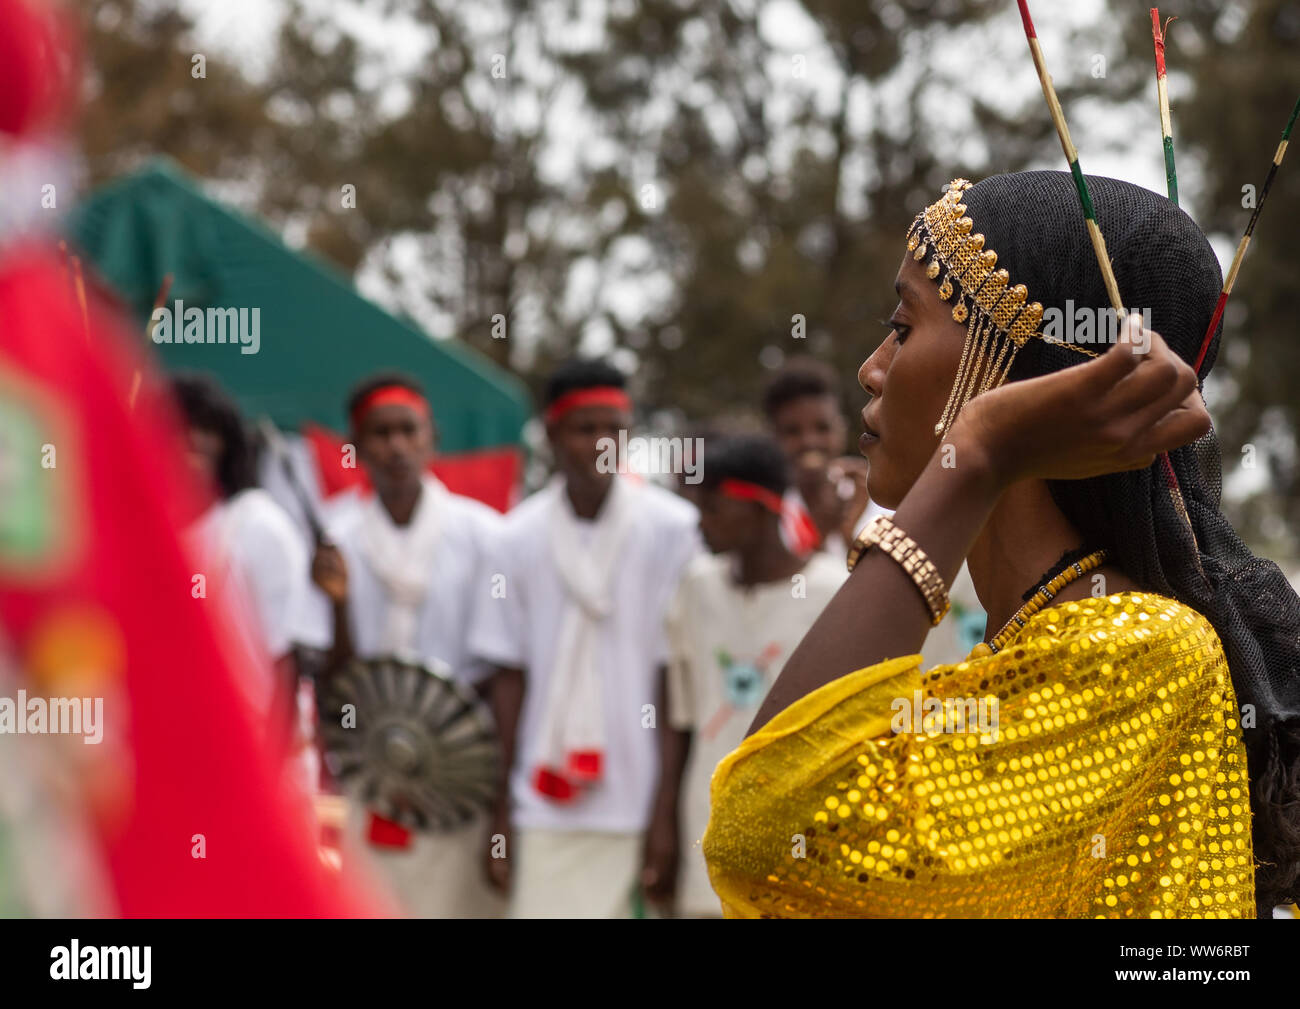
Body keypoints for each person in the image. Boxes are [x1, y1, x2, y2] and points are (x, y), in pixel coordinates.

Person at [703, 172, 1300, 918]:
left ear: (1016, 368)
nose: (872, 369)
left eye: (903, 325)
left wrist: (981, 450)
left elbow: (765, 832)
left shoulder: (1145, 653)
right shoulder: (1036, 645)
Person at [468, 358, 700, 918]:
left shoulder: (672, 530)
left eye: (613, 429)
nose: (601, 443)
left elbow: (677, 681)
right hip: (544, 805)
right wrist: (500, 811)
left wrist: (667, 809)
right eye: (584, 429)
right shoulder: (513, 537)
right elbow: (507, 677)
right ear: (551, 434)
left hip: (640, 799)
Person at [305, 371, 505, 918]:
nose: (396, 446)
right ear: (356, 449)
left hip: (460, 775)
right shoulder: (335, 538)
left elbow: (502, 669)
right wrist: (340, 604)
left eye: (407, 431)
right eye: (380, 433)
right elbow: (332, 679)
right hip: (369, 768)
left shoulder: (483, 535)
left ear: (430, 440)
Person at [643, 434, 846, 916]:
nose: (700, 522)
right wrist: (663, 822)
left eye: (713, 508)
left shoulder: (834, 590)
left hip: (802, 833)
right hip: (707, 824)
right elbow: (681, 719)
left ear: (760, 509)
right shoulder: (697, 587)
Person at [765, 358, 986, 665]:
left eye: (822, 428)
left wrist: (846, 538)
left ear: (841, 427)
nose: (809, 442)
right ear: (773, 438)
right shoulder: (768, 520)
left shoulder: (883, 502)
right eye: (793, 432)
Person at [174, 373, 310, 723]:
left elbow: (287, 666)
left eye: (205, 431)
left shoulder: (259, 527)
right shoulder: (136, 528)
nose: (191, 441)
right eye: (178, 428)